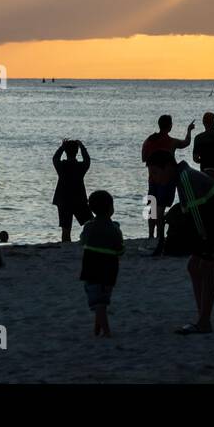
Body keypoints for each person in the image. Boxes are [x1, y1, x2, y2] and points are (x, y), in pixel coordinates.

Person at [148, 151, 214, 335]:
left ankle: (204, 321)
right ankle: (203, 316)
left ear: (168, 167)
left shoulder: (185, 178)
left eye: (155, 173)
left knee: (206, 268)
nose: (153, 178)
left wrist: (201, 237)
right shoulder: (182, 176)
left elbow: (195, 212)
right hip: (209, 224)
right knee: (194, 266)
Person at [141, 115, 194, 252]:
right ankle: (160, 236)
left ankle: (151, 235)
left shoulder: (149, 141)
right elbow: (186, 142)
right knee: (160, 207)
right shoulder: (171, 142)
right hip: (167, 179)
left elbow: (143, 158)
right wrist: (189, 130)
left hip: (152, 178)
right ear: (169, 126)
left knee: (152, 206)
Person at [79, 190, 124, 338]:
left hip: (90, 267)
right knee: (102, 301)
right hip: (109, 269)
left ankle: (106, 331)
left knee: (98, 302)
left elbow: (82, 242)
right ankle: (98, 329)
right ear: (111, 208)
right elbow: (120, 249)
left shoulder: (88, 227)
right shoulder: (115, 229)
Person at [52, 139, 91, 242]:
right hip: (79, 199)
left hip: (63, 200)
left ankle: (66, 246)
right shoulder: (80, 167)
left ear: (66, 152)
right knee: (90, 223)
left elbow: (55, 158)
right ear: (77, 152)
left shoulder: (61, 166)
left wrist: (62, 147)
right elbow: (87, 159)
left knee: (66, 229)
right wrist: (82, 147)